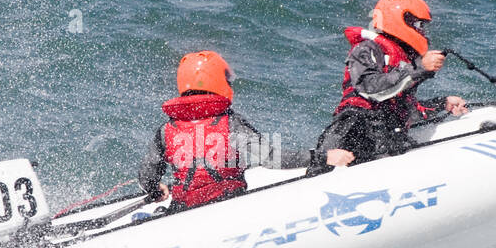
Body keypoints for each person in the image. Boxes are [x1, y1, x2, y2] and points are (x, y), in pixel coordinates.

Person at [140, 51, 346, 209]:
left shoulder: (165, 130)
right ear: (218, 82)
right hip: (227, 205)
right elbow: (271, 158)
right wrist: (322, 157)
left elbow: (147, 176)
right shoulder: (230, 123)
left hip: (184, 209)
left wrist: (154, 189)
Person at [315, 0, 468, 167]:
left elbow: (407, 110)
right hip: (352, 134)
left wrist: (443, 104)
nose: (422, 31)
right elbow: (371, 89)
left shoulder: (404, 62)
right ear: (402, 21)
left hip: (385, 141)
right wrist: (419, 69)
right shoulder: (366, 49)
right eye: (419, 25)